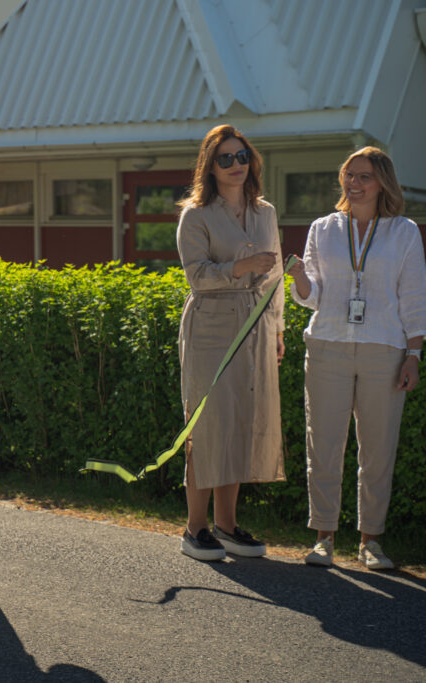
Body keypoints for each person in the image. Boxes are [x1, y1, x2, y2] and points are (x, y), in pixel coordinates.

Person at [287, 147, 426, 570]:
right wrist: (298, 279)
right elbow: (312, 298)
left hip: (384, 349)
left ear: (382, 181)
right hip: (327, 344)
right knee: (324, 443)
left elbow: (414, 296)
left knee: (378, 449)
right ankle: (324, 537)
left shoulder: (403, 232)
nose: (354, 183)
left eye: (364, 176)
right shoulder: (322, 228)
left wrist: (414, 354)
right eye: (349, 175)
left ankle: (371, 543)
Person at [175, 124, 285, 562]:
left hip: (254, 326)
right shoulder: (196, 215)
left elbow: (274, 277)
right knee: (207, 425)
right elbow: (196, 276)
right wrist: (241, 267)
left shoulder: (266, 213)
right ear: (210, 167)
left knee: (240, 420)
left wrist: (276, 330)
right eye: (226, 158)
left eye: (242, 157)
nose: (236, 165)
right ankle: (194, 528)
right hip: (210, 327)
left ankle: (227, 525)